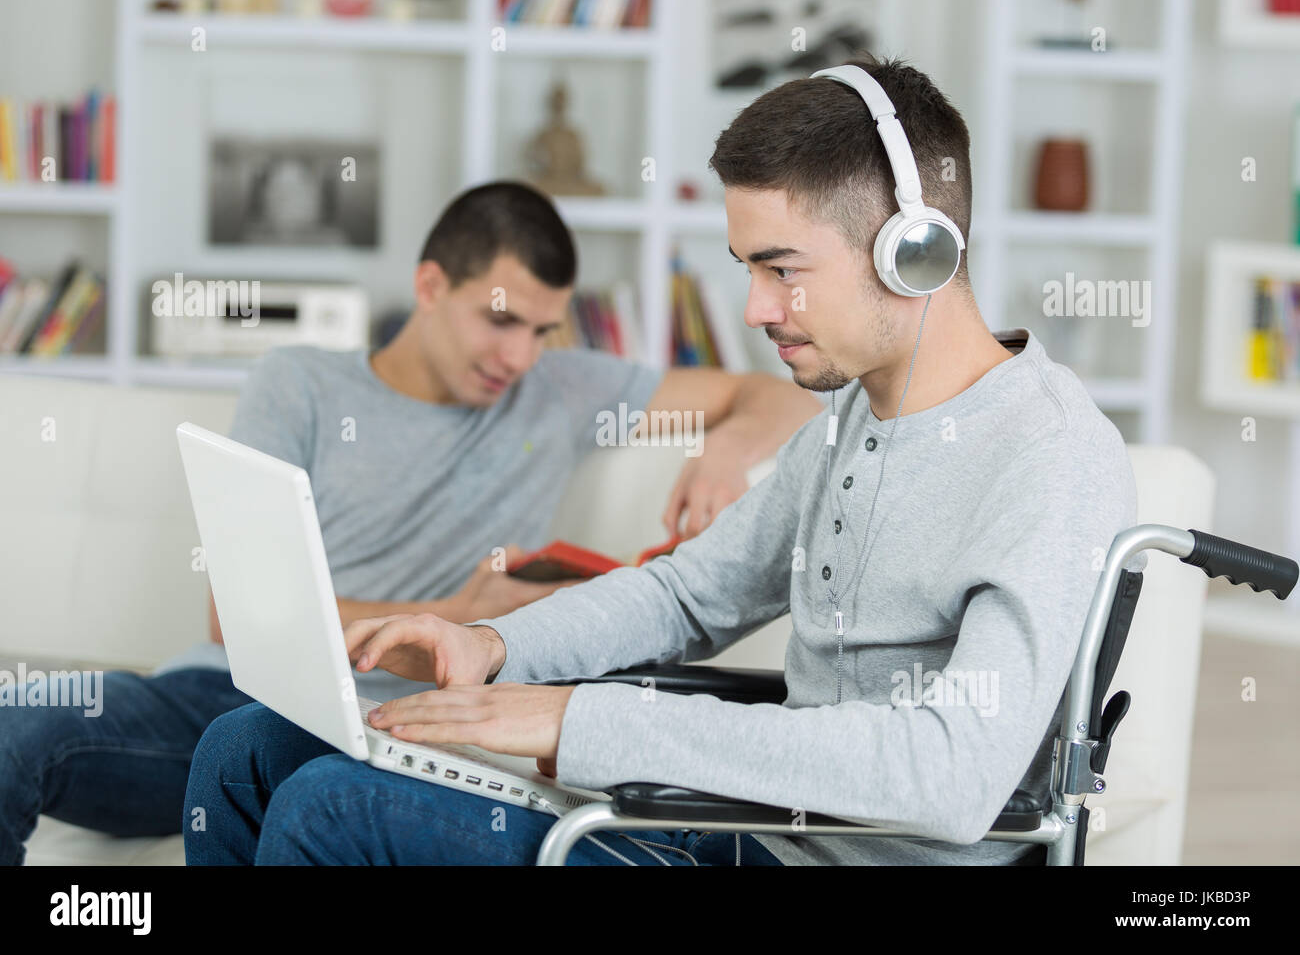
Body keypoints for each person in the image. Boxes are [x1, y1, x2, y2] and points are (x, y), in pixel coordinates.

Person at [185, 54, 1146, 867]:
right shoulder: (854, 417)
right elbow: (687, 596)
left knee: (331, 808)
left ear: (914, 252)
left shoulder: (1049, 457)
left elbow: (953, 773)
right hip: (744, 828)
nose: (757, 310)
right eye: (748, 270)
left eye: (783, 269)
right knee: (247, 751)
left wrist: (581, 723)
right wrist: (494, 646)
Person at [0, 180, 818, 866]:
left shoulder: (561, 389)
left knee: (316, 796)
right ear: (431, 287)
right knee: (18, 728)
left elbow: (776, 393)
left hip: (409, 726)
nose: (519, 357)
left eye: (542, 330)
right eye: (500, 320)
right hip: (237, 694)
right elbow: (236, 617)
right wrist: (455, 616)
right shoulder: (300, 383)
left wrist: (724, 448)